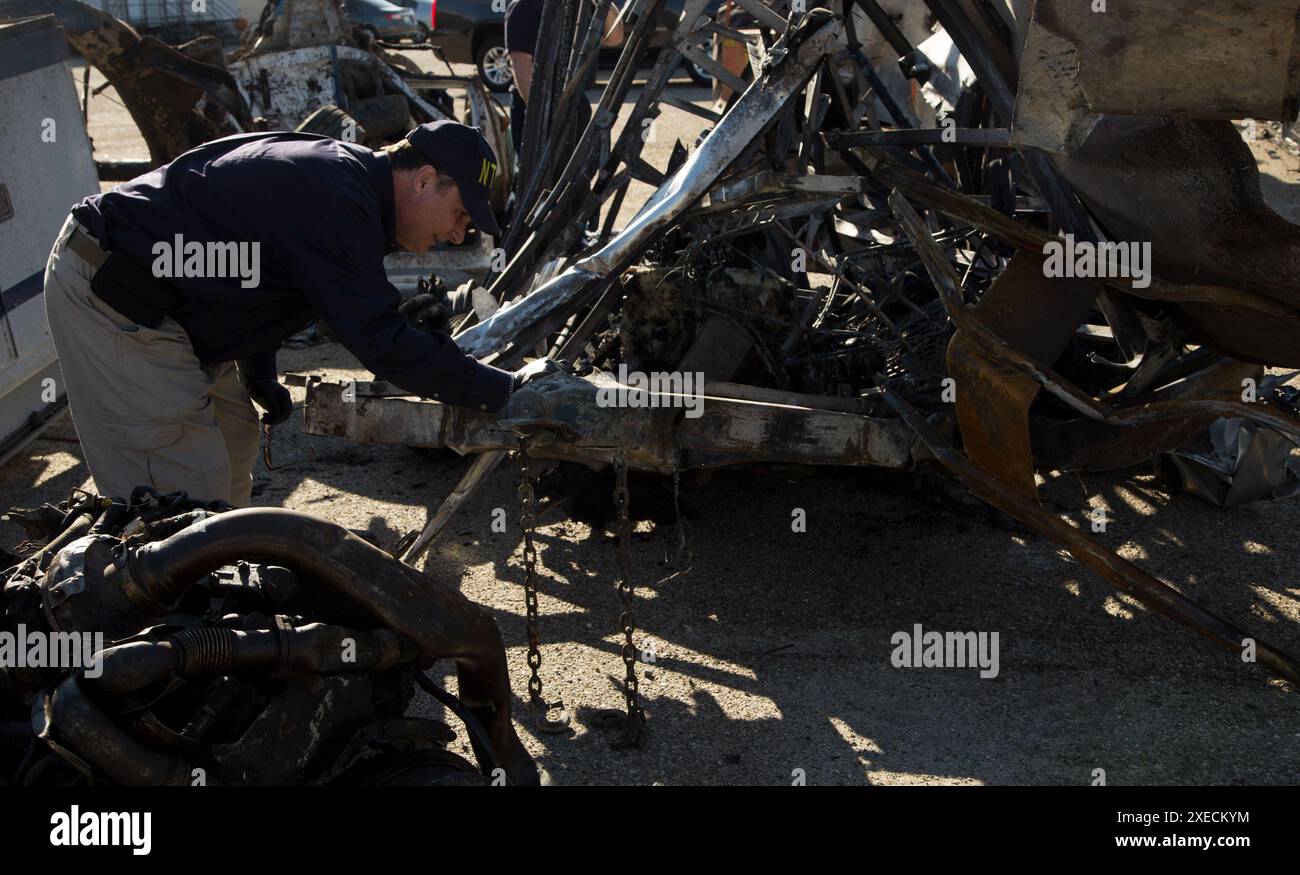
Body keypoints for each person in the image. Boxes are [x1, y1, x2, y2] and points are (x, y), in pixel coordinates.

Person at [44, 120, 542, 507]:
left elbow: (258, 270)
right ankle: (179, 619)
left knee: (235, 440)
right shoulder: (337, 199)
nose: (458, 235)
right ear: (425, 179)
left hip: (168, 306)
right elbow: (383, 342)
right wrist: (507, 393)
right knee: (179, 489)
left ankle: (213, 587)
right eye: (460, 215)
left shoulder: (343, 184)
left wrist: (258, 371)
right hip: (115, 299)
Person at [505, 0, 624, 157]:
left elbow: (615, 37)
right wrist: (547, 118)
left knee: (575, 177)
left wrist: (603, 3)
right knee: (538, 177)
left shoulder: (583, 5)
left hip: (576, 105)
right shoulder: (527, 6)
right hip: (539, 111)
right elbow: (523, 67)